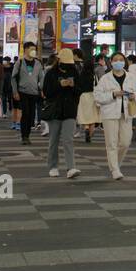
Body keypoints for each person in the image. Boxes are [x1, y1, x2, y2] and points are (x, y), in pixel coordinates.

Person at [93, 51, 136, 180]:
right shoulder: (105, 78)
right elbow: (97, 96)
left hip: (127, 113)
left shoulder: (131, 77)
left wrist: (134, 96)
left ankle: (117, 164)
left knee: (125, 142)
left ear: (124, 62)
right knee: (111, 143)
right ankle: (114, 169)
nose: (118, 62)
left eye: (121, 59)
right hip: (110, 114)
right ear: (111, 62)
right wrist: (113, 95)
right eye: (115, 60)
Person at [42, 48, 82, 179]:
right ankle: (53, 166)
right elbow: (46, 92)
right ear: (58, 60)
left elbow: (79, 91)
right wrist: (60, 84)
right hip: (55, 110)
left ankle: (71, 167)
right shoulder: (50, 73)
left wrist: (72, 86)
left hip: (70, 110)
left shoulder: (74, 72)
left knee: (68, 139)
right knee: (53, 140)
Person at [11, 42, 45, 144]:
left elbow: (41, 77)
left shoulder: (38, 63)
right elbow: (13, 78)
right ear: (25, 50)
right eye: (31, 49)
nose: (33, 51)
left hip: (34, 92)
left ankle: (27, 135)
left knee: (31, 115)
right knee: (25, 113)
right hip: (22, 92)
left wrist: (42, 89)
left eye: (34, 49)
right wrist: (15, 91)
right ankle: (24, 136)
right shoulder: (20, 62)